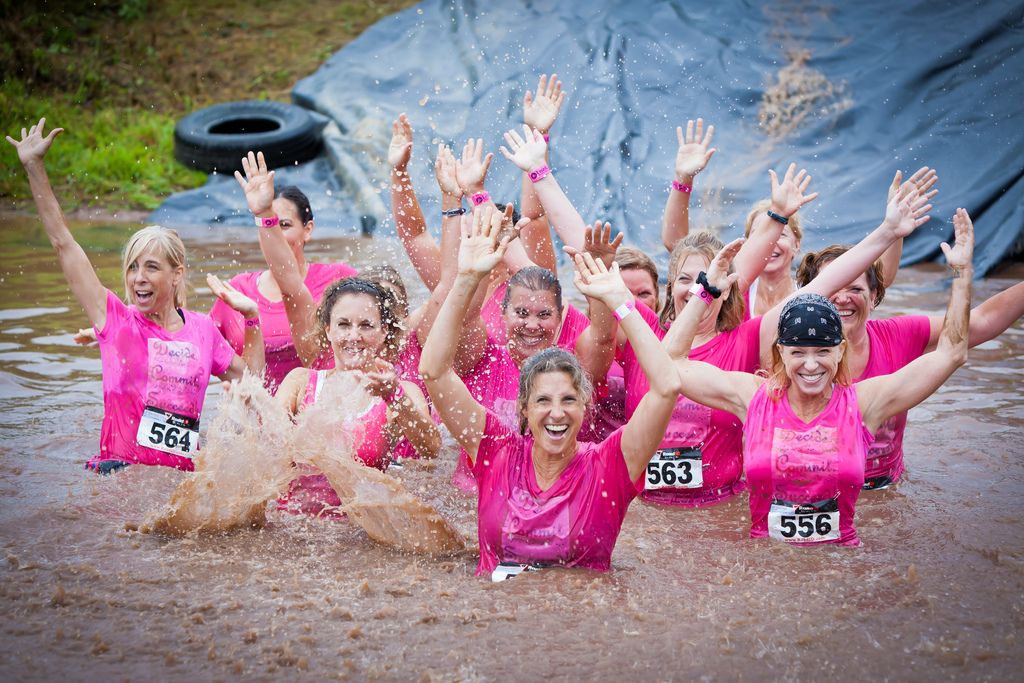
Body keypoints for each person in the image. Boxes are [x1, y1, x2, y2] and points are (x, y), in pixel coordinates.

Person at [668, 208, 973, 545]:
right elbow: (672, 362)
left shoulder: (864, 404)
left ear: (840, 351)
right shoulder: (754, 397)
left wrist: (961, 274)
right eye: (798, 352)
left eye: (823, 351)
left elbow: (952, 352)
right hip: (764, 566)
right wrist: (706, 291)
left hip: (842, 568)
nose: (810, 365)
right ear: (780, 353)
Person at [419, 207, 681, 578]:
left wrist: (619, 301)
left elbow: (667, 386)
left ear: (586, 404)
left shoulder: (609, 466)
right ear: (523, 409)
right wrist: (466, 277)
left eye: (568, 400)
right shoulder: (496, 450)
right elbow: (433, 371)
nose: (556, 412)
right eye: (543, 400)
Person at [7, 118, 266, 473]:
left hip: (180, 486)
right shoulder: (115, 320)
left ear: (177, 275)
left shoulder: (203, 330)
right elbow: (64, 244)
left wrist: (251, 317)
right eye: (132, 268)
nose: (138, 278)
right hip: (117, 477)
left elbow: (252, 384)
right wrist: (34, 168)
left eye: (151, 268)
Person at [233, 152, 439, 510]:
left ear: (384, 333)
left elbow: (431, 449)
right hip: (296, 531)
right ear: (326, 331)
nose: (353, 335)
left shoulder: (397, 390)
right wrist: (253, 403)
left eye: (365, 326)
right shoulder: (300, 381)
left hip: (363, 532)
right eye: (343, 325)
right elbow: (272, 443)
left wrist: (396, 399)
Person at [795, 226, 1024, 489]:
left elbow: (981, 322)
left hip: (884, 488)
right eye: (833, 286)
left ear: (873, 299)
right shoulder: (788, 351)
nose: (843, 298)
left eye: (855, 289)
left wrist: (962, 272)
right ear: (809, 298)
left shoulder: (898, 335)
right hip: (815, 492)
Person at [208, 182, 356, 393]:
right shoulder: (237, 290)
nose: (274, 235)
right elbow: (201, 349)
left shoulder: (339, 279)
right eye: (267, 225)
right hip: (255, 418)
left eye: (283, 225)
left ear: (308, 231)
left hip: (318, 415)